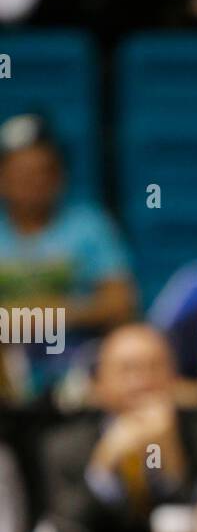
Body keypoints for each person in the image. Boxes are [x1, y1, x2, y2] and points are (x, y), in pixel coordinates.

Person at [41, 323, 197, 532]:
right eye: (127, 370)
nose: (142, 382)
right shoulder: (64, 446)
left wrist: (171, 458)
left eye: (154, 368)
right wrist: (102, 468)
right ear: (99, 384)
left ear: (174, 377)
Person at [0, 115, 135, 394]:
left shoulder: (89, 226)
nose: (33, 183)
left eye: (42, 173)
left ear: (59, 177)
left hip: (77, 364)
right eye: (22, 174)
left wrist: (50, 315)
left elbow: (120, 303)